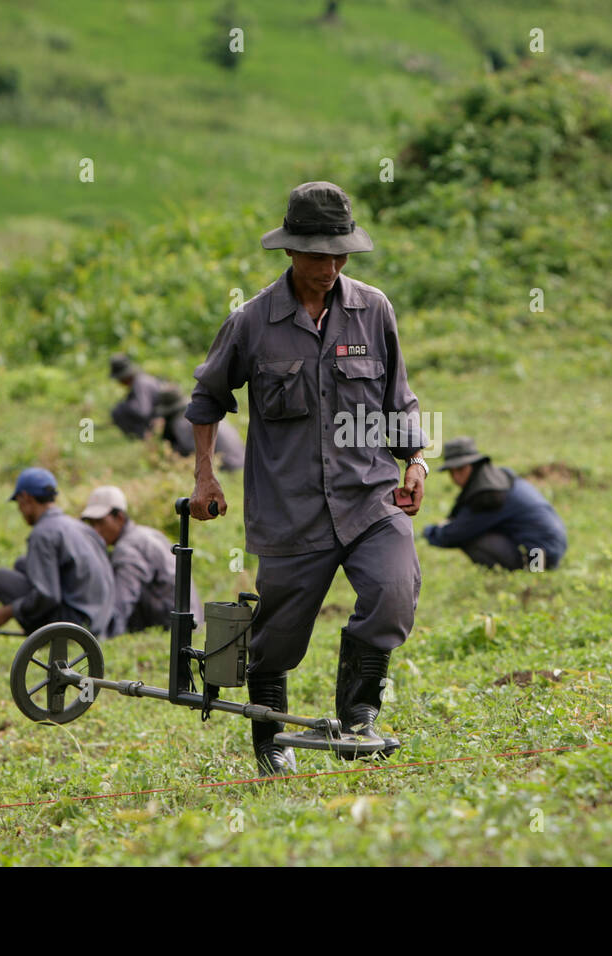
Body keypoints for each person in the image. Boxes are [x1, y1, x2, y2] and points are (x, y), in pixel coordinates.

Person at [185, 180, 428, 776]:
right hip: (289, 510)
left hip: (368, 496)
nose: (332, 266)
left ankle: (360, 716)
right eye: (319, 254)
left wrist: (415, 460)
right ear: (290, 252)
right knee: (275, 641)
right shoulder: (251, 324)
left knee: (394, 592)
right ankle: (270, 739)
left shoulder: (373, 309)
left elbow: (400, 397)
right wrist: (205, 479)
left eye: (341, 253)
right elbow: (207, 399)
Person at [0, 468, 115, 636]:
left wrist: (9, 612)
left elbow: (47, 596)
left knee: (0, 579)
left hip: (74, 623)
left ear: (25, 498)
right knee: (22, 563)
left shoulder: (43, 533)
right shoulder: (79, 526)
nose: (19, 510)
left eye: (18, 503)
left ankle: (46, 632)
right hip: (100, 620)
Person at [423, 437, 568, 571]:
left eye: (460, 469)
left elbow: (454, 534)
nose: (456, 477)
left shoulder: (488, 494)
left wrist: (428, 532)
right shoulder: (497, 478)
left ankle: (515, 577)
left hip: (540, 558)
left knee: (469, 537)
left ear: (474, 465)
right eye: (451, 472)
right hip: (551, 549)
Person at [79, 484, 204, 637]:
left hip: (173, 631)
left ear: (119, 517)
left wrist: (106, 637)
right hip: (192, 622)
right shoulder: (148, 534)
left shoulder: (127, 549)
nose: (95, 530)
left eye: (100, 522)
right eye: (91, 524)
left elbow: (123, 601)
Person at [110, 355, 244, 472]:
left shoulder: (182, 422)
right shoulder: (198, 414)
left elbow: (193, 451)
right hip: (240, 458)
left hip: (228, 463)